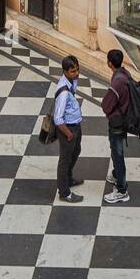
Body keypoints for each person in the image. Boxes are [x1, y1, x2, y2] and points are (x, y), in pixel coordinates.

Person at [52, 55, 84, 203]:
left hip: (75, 125)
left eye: (77, 70)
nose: (76, 73)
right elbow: (58, 119)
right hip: (68, 129)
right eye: (72, 71)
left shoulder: (72, 81)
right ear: (65, 71)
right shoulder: (63, 92)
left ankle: (68, 179)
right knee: (64, 160)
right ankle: (64, 192)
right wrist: (68, 134)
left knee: (76, 151)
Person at [101, 48, 131, 204]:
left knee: (117, 153)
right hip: (125, 119)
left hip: (118, 123)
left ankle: (121, 190)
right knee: (117, 150)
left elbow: (106, 105)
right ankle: (115, 174)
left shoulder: (117, 82)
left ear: (109, 63)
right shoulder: (125, 74)